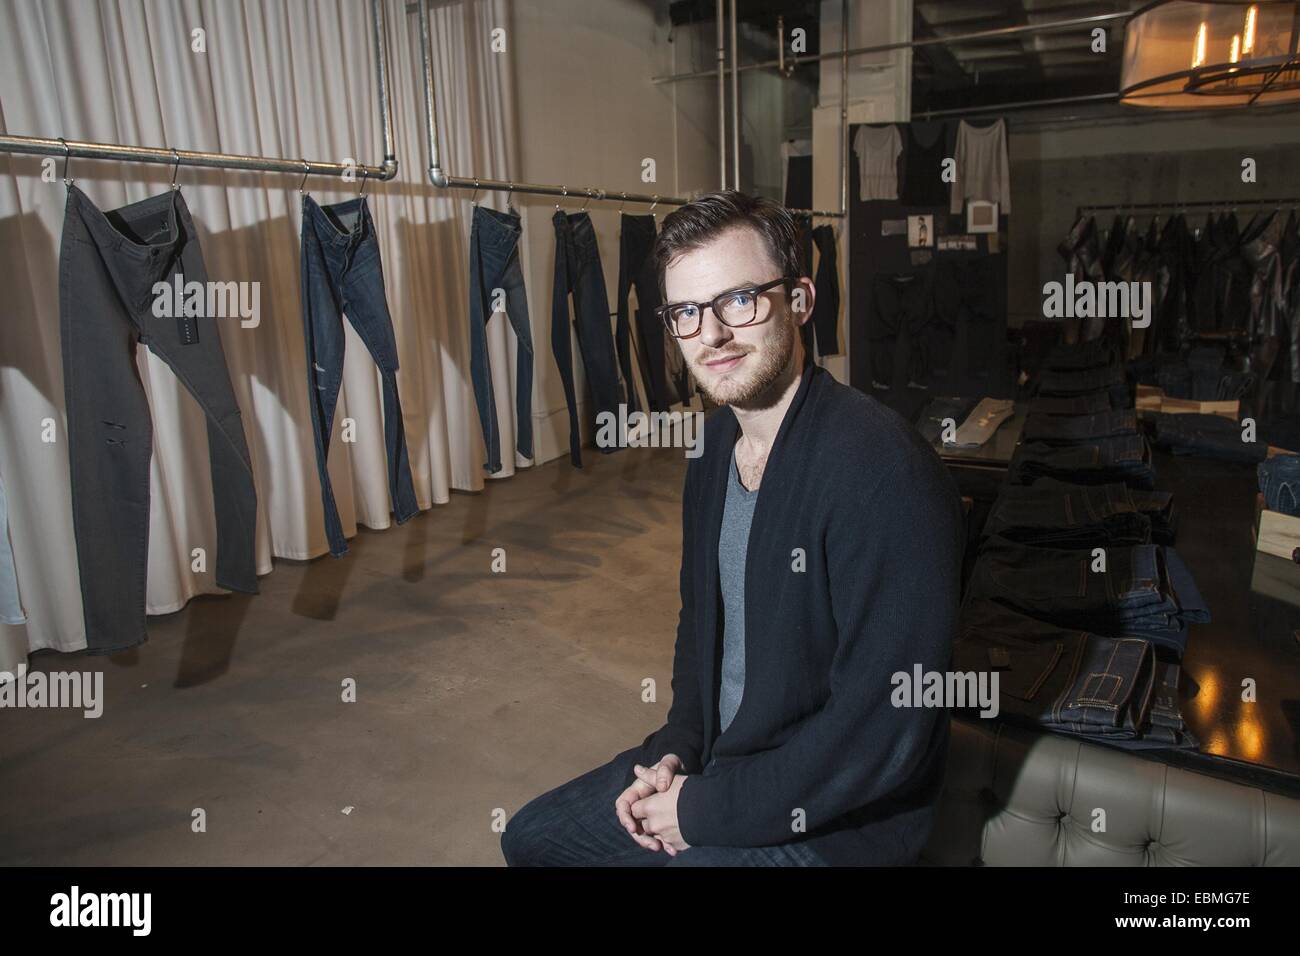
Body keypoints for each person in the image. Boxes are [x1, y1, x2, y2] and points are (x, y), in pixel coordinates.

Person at [501, 190, 963, 866]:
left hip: (838, 820)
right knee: (532, 838)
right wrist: (675, 752)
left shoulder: (883, 472)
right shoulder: (714, 446)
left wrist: (701, 810)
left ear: (801, 300)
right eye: (687, 312)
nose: (710, 335)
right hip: (725, 760)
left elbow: (884, 731)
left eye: (738, 301)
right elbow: (701, 633)